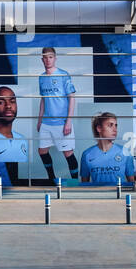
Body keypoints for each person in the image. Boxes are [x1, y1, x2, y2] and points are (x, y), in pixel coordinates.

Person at [35, 47, 79, 185]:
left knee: (68, 153)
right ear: (42, 59)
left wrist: (68, 122)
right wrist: (40, 119)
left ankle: (74, 182)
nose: (48, 60)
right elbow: (43, 99)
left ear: (55, 58)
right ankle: (52, 179)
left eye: (50, 57)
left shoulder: (63, 75)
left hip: (61, 122)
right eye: (45, 57)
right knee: (42, 151)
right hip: (47, 123)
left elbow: (72, 98)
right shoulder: (41, 77)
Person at [80, 112, 136, 185]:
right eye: (110, 125)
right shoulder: (87, 154)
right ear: (99, 128)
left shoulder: (125, 152)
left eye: (116, 126)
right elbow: (84, 186)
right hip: (97, 195)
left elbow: (132, 184)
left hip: (119, 195)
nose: (115, 129)